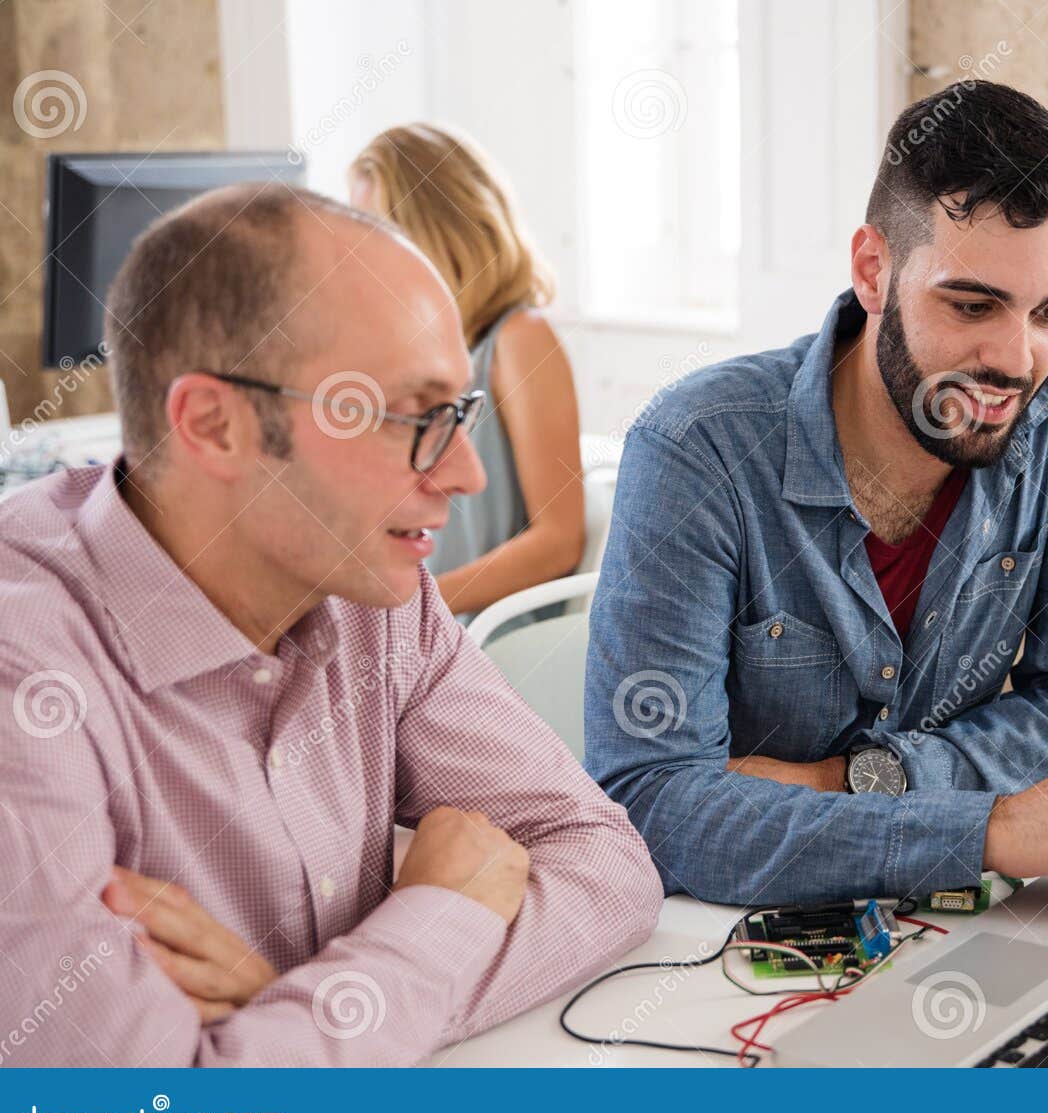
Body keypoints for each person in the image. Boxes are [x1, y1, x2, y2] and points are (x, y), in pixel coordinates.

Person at [0, 184, 660, 1065]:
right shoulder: (25, 683)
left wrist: (298, 1000)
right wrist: (429, 928)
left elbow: (605, 862)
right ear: (214, 424)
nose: (463, 472)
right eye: (415, 418)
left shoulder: (373, 594)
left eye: (457, 412)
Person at [585, 81, 1048, 905]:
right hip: (735, 951)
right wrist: (984, 830)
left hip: (961, 928)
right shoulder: (696, 450)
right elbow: (649, 805)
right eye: (973, 304)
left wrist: (862, 778)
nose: (1015, 360)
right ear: (873, 269)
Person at [349, 123, 584, 619]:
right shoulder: (425, 351)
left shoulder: (521, 339)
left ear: (433, 232)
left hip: (487, 636)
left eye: (379, 231)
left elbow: (559, 540)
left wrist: (417, 607)